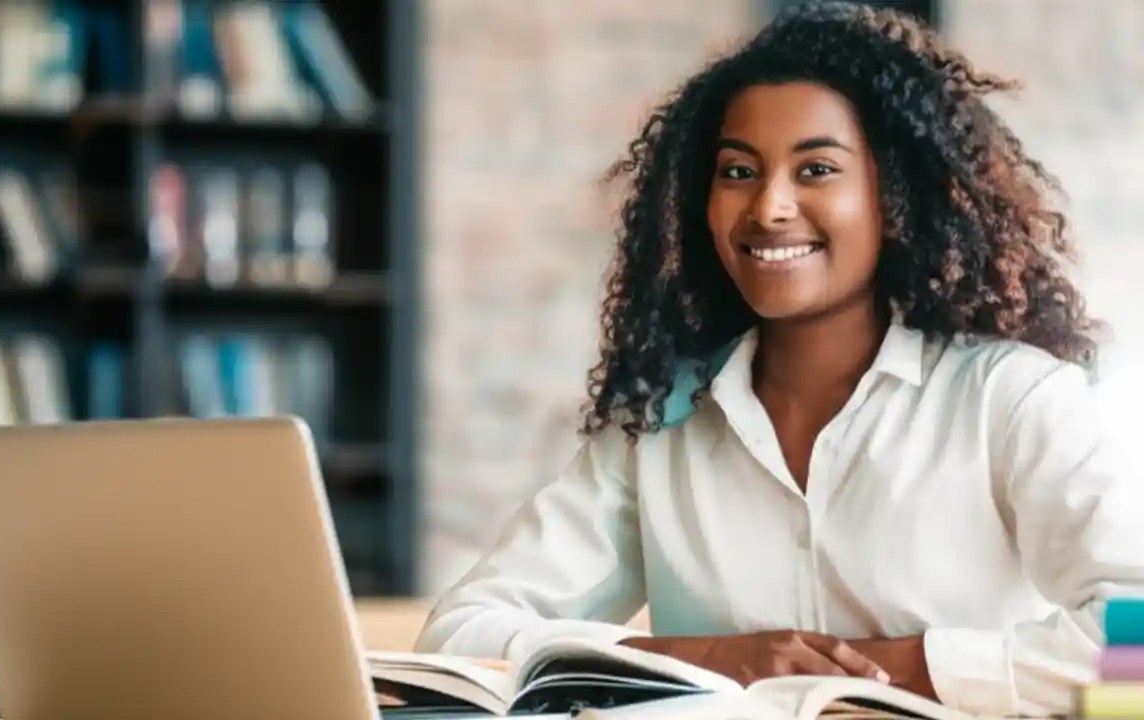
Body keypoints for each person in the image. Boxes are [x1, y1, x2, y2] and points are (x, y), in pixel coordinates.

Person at [414, 2, 1144, 716]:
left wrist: (895, 671)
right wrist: (715, 660)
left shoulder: (1007, 399)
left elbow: (1136, 653)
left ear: (894, 196)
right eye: (737, 172)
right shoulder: (663, 424)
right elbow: (461, 635)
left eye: (816, 169)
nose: (768, 208)